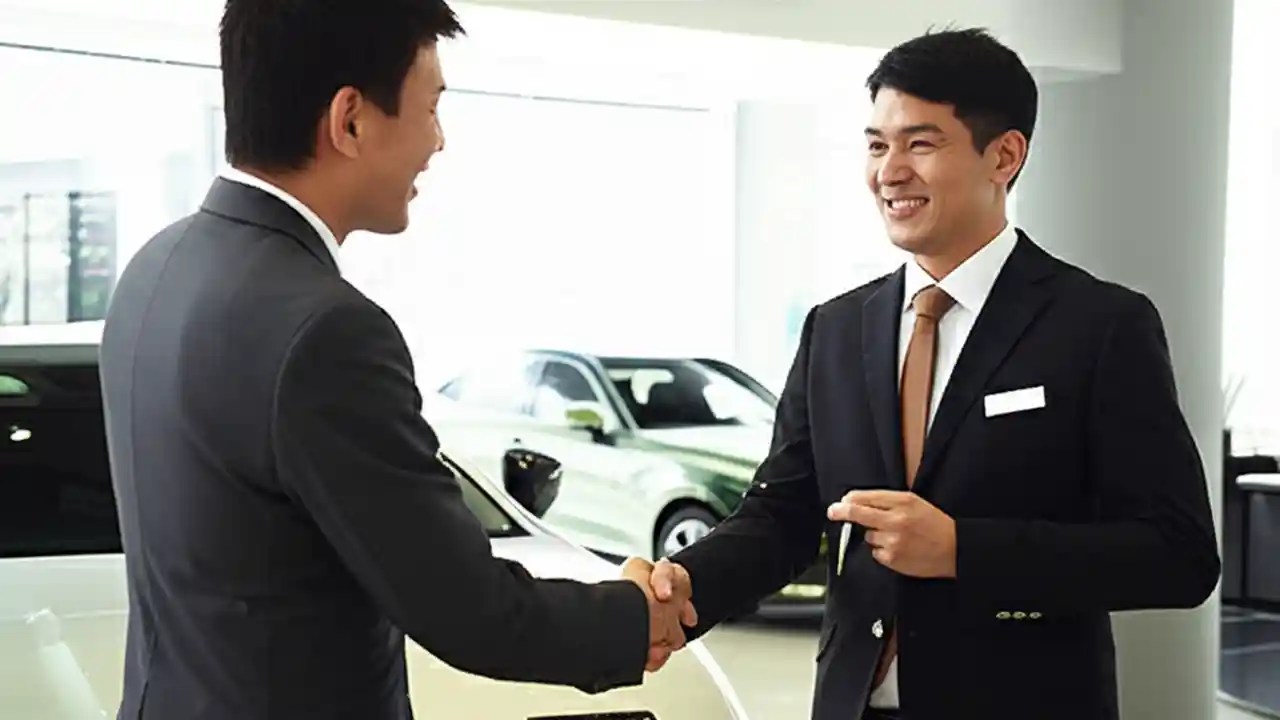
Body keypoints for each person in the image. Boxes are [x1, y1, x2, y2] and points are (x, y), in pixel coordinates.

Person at [97, 1, 693, 718]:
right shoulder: (326, 331)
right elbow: (464, 606)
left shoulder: (154, 269)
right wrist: (631, 615)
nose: (437, 142)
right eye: (432, 107)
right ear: (350, 120)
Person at [634, 27, 1220, 720]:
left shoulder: (1099, 326)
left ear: (1004, 155)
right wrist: (679, 587)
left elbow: (1178, 553)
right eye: (877, 145)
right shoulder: (837, 328)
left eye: (920, 143)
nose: (889, 170)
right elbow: (785, 516)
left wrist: (964, 550)